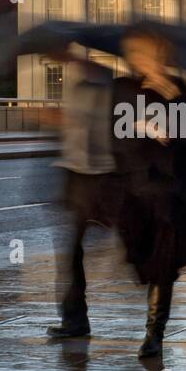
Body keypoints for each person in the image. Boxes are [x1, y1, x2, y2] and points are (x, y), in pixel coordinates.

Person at [110, 26, 186, 358]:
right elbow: (113, 134)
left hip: (170, 194)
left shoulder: (177, 88)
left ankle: (154, 334)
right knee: (144, 260)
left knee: (164, 266)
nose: (148, 60)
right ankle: (153, 321)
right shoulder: (122, 88)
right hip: (137, 192)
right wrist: (143, 127)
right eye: (140, 54)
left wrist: (172, 99)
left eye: (153, 54)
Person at [46, 49, 119, 338]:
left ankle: (154, 314)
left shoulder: (109, 88)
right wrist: (57, 121)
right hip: (75, 176)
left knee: (78, 249)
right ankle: (74, 320)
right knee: (70, 252)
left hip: (101, 177)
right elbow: (74, 132)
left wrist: (66, 121)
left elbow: (96, 132)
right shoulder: (78, 87)